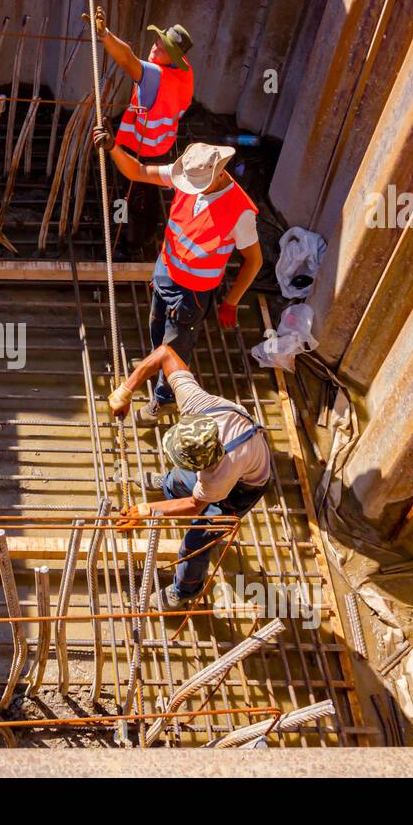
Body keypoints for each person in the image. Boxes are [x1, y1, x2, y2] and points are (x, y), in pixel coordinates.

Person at [92, 126, 264, 422]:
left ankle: (165, 399)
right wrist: (113, 148)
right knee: (158, 334)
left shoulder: (240, 213)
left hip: (191, 296)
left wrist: (230, 302)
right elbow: (138, 172)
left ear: (218, 174)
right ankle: (154, 363)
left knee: (175, 349)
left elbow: (254, 261)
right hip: (165, 278)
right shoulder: (186, 174)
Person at [107, 342, 271, 610]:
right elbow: (165, 353)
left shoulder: (218, 473)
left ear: (206, 464)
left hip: (244, 486)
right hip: (237, 454)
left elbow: (196, 505)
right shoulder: (197, 403)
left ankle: (185, 590)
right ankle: (171, 484)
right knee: (177, 480)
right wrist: (125, 391)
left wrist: (145, 511)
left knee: (195, 542)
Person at [82, 7, 194, 256]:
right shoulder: (185, 71)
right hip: (162, 145)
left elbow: (127, 59)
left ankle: (130, 242)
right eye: (158, 41)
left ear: (173, 58)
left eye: (163, 48)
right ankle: (146, 228)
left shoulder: (156, 76)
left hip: (141, 147)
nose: (156, 47)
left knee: (133, 191)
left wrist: (105, 35)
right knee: (150, 189)